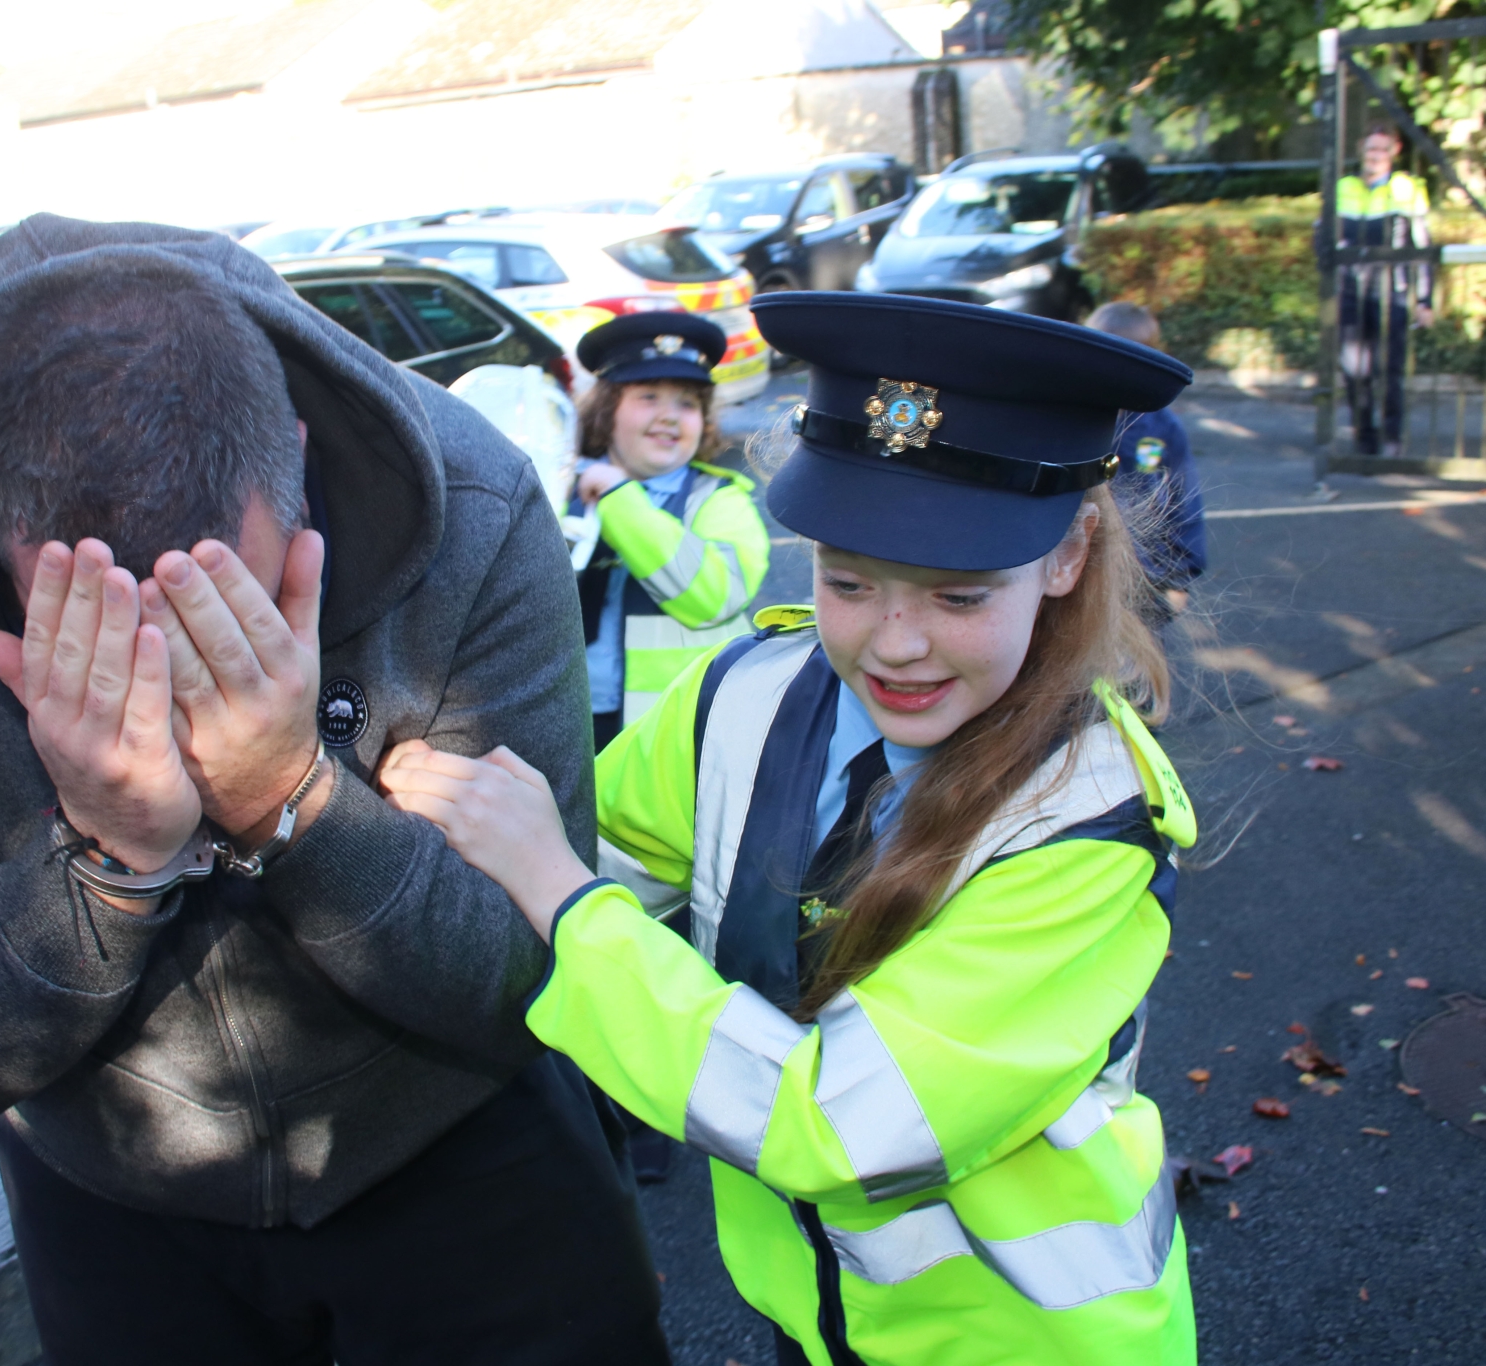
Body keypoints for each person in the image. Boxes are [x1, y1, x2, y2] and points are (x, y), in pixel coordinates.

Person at [0, 215, 669, 1364]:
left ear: (297, 461)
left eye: (227, 608)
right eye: (95, 632)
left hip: (457, 1128)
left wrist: (291, 795)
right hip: (116, 1185)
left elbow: (524, 971)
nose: (173, 683)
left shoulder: (471, 497)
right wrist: (109, 856)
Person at [382, 292, 1200, 1365]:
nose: (894, 644)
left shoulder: (1091, 825)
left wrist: (566, 901)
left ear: (1068, 553)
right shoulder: (743, 695)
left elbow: (840, 1127)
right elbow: (547, 856)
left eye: (959, 597)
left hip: (1026, 1337)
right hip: (807, 1313)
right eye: (847, 580)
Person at [572, 312, 769, 752]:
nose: (669, 416)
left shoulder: (721, 499)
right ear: (606, 409)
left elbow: (714, 599)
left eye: (687, 403)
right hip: (564, 715)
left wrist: (619, 498)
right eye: (648, 397)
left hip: (670, 734)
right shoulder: (560, 485)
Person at [1317, 124, 1434, 456]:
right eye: (1371, 149)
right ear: (1361, 149)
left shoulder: (1407, 188)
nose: (1376, 156)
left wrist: (1424, 299)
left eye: (1383, 149)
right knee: (1354, 369)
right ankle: (1364, 436)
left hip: (1391, 291)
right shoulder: (1343, 187)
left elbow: (1422, 247)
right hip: (1349, 291)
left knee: (1390, 370)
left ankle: (1392, 437)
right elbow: (1322, 238)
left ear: (1395, 151)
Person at [1085, 301, 1207, 616]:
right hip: (1082, 570)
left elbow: (1184, 498)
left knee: (1142, 643)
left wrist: (1179, 577)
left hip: (1145, 576)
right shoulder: (1075, 419)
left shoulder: (1160, 427)